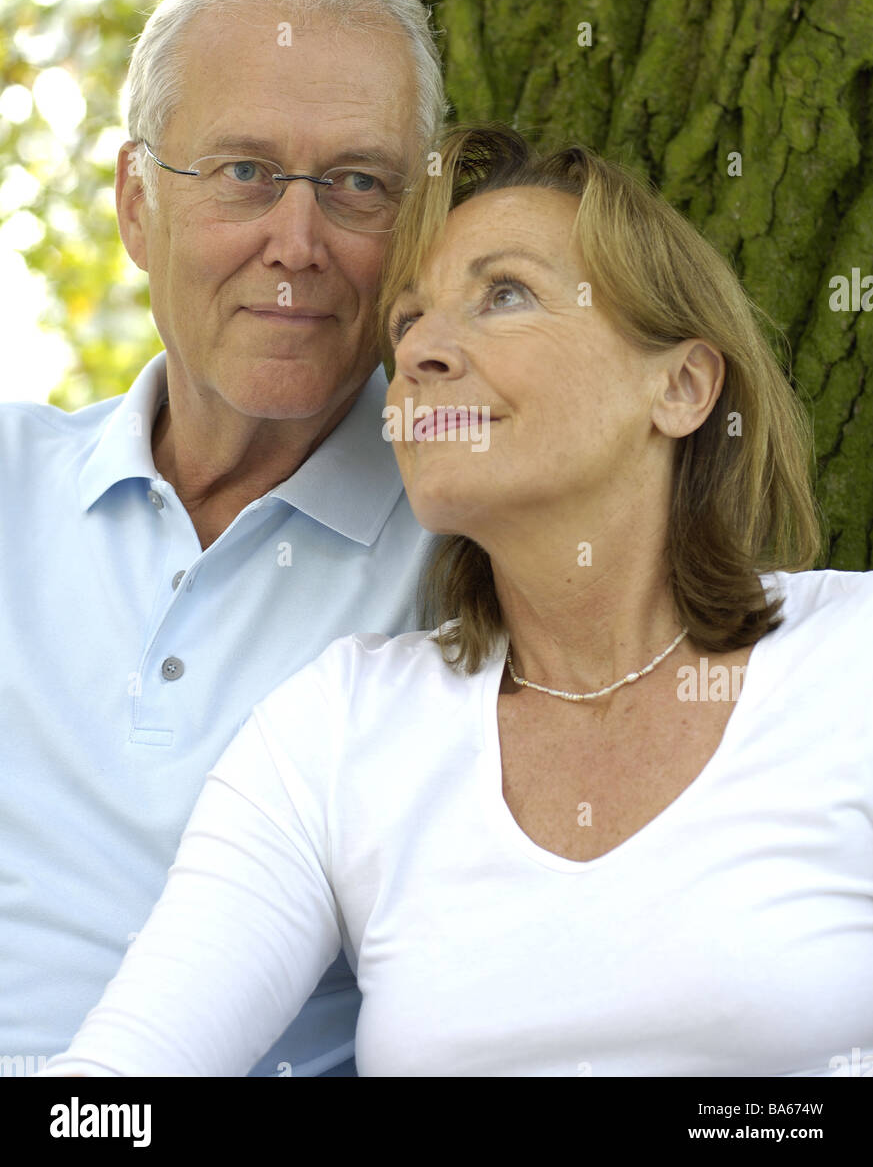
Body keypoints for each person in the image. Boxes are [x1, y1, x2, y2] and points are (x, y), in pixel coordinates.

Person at [39, 123, 873, 1078]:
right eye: (406, 322)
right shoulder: (339, 727)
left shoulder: (850, 661)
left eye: (504, 294)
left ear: (681, 386)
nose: (425, 352)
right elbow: (121, 1087)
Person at [0, 0, 445, 1079]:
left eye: (356, 185)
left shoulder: (474, 550)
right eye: (245, 171)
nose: (296, 244)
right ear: (136, 204)